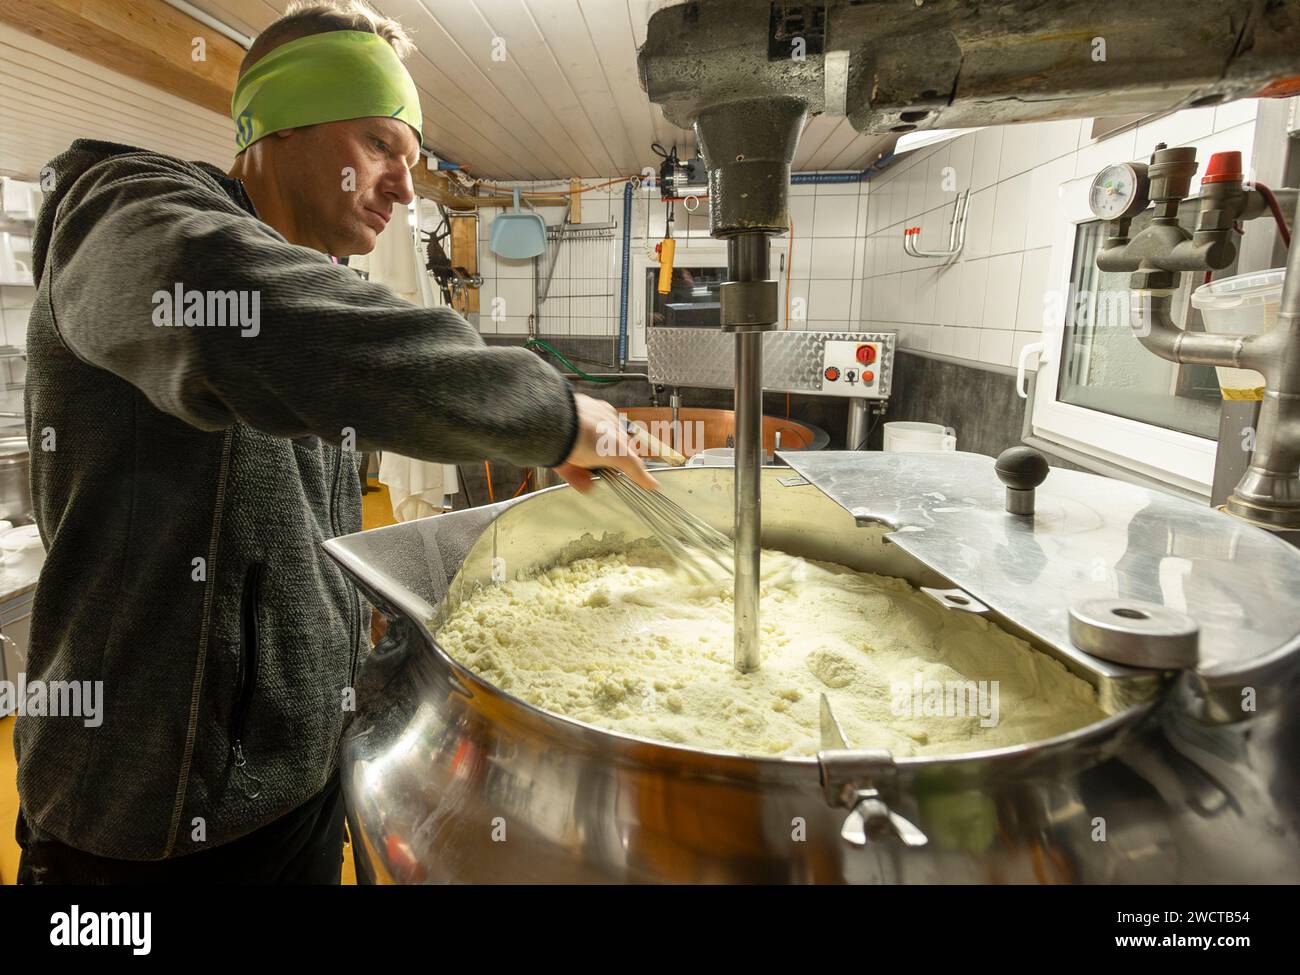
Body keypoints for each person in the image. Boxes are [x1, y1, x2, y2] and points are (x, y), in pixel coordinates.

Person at [14, 0, 653, 883]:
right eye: (380, 145)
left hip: (300, 794)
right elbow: (221, 305)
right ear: (281, 122)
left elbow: (292, 539)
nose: (403, 185)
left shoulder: (316, 286)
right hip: (143, 822)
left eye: (414, 162)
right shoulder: (121, 212)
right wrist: (554, 413)